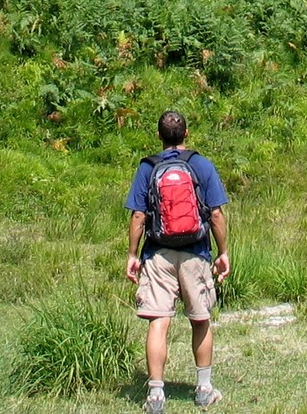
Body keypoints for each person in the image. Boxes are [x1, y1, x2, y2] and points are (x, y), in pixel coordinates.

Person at [124, 109, 231, 412]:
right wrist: (223, 252)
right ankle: (204, 388)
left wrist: (133, 254)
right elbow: (216, 214)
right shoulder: (201, 165)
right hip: (196, 252)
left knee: (159, 322)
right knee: (200, 320)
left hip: (157, 252)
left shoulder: (148, 168)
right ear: (186, 134)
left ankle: (156, 395)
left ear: (159, 136)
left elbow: (138, 215)